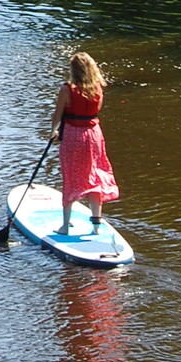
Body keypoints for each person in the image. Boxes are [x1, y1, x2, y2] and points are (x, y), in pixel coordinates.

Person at [51, 50, 119, 232]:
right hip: (94, 134)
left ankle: (65, 225)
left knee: (71, 175)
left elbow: (57, 116)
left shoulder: (67, 89)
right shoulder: (98, 88)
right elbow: (94, 111)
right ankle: (96, 226)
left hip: (74, 135)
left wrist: (54, 131)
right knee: (95, 175)